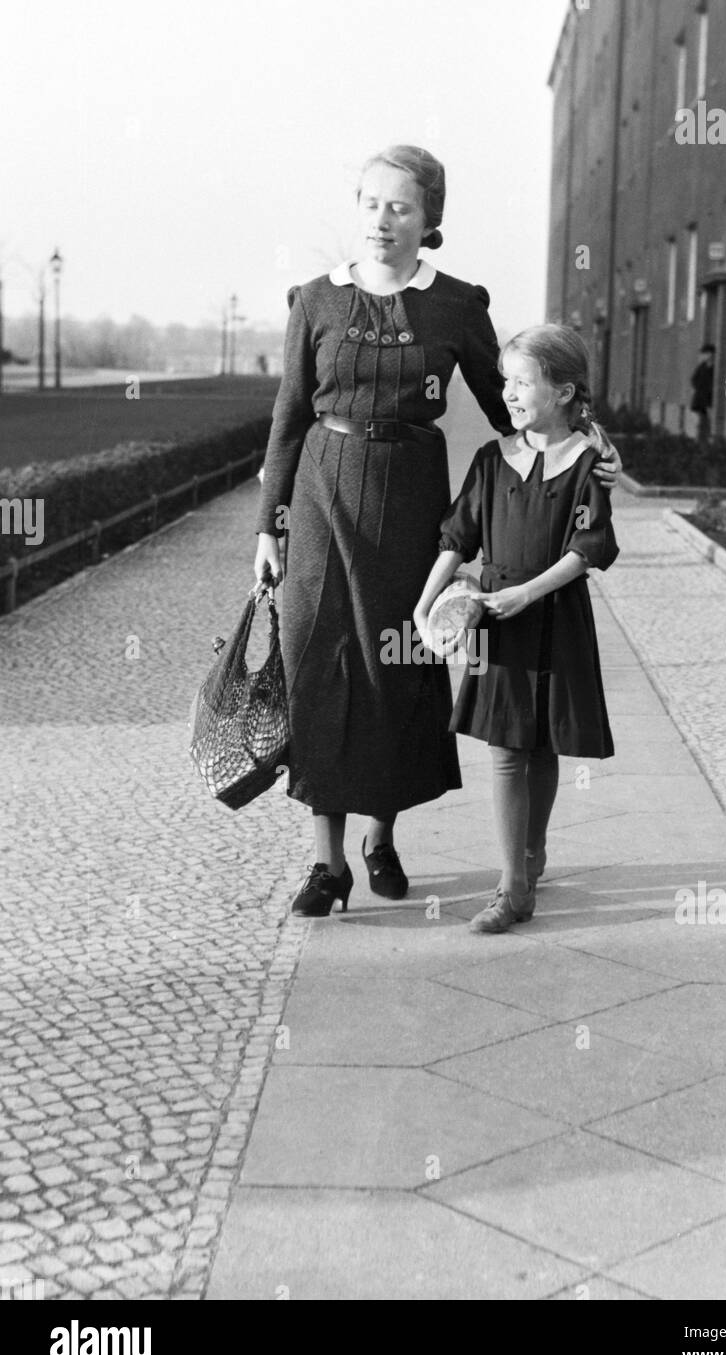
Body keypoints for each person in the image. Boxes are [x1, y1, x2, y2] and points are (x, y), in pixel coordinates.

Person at [253, 145, 622, 917]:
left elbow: (511, 407)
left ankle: (380, 838)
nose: (383, 220)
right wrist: (269, 528)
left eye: (401, 207)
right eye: (371, 204)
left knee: (397, 666)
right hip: (322, 492)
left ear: (429, 220)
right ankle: (326, 864)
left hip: (413, 498)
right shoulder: (314, 301)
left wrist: (588, 450)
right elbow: (288, 418)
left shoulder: (454, 304)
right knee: (319, 664)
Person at [414, 324, 618, 933]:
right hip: (499, 627)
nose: (508, 393)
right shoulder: (490, 460)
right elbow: (458, 538)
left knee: (542, 744)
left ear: (562, 392)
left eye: (522, 382)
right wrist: (425, 608)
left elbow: (590, 547)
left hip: (555, 618)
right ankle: (514, 889)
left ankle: (529, 858)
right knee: (506, 750)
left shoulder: (589, 465)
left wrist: (527, 592)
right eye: (506, 381)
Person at [690, 343, 715, 442]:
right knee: (701, 422)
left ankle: (706, 442)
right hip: (700, 400)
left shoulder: (715, 368)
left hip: (710, 400)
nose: (704, 356)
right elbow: (694, 379)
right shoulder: (702, 366)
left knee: (708, 423)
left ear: (711, 354)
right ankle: (701, 441)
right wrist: (700, 389)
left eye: (706, 353)